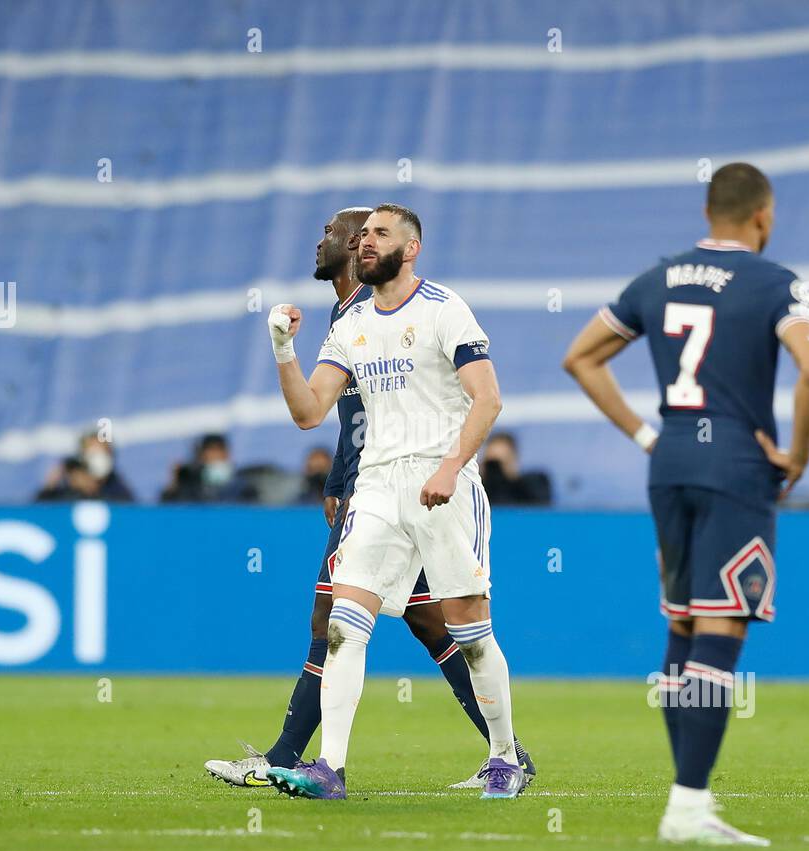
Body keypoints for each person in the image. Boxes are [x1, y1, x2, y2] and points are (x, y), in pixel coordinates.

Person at [205, 206, 532, 794]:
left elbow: (488, 398)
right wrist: (283, 349)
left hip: (443, 486)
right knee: (343, 628)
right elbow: (309, 412)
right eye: (362, 236)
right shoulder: (350, 325)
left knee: (469, 631)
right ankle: (329, 768)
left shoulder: (443, 308)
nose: (364, 244)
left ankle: (506, 757)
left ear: (410, 249)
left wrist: (452, 467)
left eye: (379, 234)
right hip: (377, 488)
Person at [564, 163, 809, 844]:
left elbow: (582, 358)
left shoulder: (658, 278)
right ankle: (686, 806)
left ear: (709, 210)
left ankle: (689, 801)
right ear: (762, 216)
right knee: (720, 628)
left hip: (671, 461)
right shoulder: (775, 284)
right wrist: (797, 456)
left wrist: (645, 434)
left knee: (682, 627)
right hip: (735, 466)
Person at [35, 431, 135, 502]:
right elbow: (39, 514)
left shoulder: (118, 489)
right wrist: (50, 488)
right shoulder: (64, 488)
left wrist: (94, 491)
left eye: (103, 452)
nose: (99, 458)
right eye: (93, 452)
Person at [160, 434, 255, 503]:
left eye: (218, 451)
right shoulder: (190, 484)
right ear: (201, 456)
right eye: (210, 452)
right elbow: (169, 508)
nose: (215, 456)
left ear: (227, 454)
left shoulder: (242, 484)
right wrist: (174, 485)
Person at [481, 432, 552, 505]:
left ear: (514, 461)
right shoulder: (478, 491)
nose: (495, 469)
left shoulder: (531, 486)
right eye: (491, 464)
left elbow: (541, 508)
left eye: (501, 463)